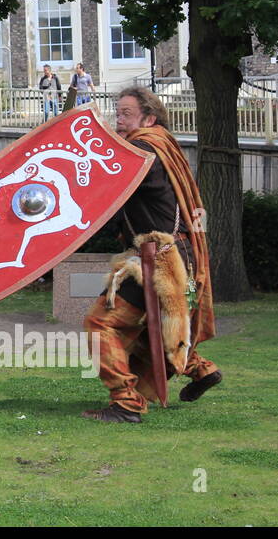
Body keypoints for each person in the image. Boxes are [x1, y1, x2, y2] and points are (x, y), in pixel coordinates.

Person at [80, 86, 222, 423]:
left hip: (161, 261)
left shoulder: (144, 150)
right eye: (118, 112)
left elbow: (105, 182)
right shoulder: (157, 147)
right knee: (157, 325)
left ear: (149, 118)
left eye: (126, 114)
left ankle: (127, 402)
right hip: (177, 256)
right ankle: (200, 369)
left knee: (101, 323)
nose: (119, 120)